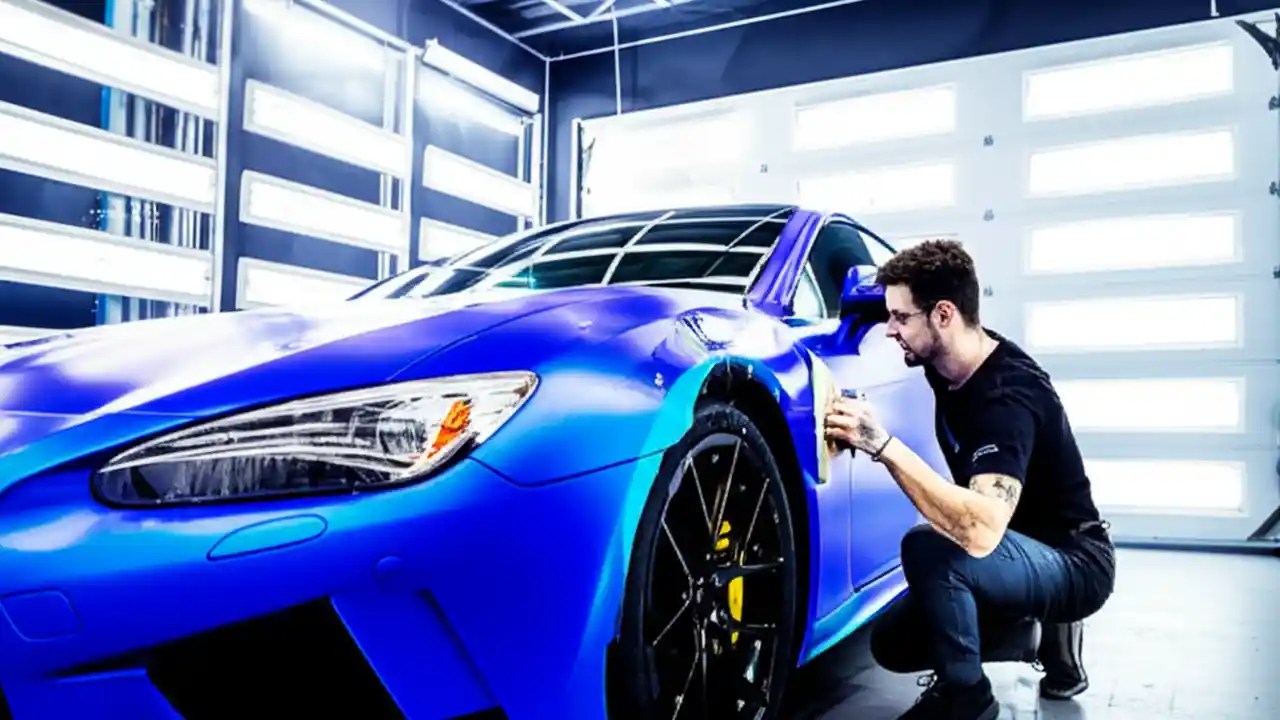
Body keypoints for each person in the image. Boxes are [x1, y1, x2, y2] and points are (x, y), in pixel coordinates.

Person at [823, 240, 1116, 720]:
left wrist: (882, 444)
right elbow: (896, 307)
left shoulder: (1005, 397)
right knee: (893, 644)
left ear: (943, 315)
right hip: (1017, 549)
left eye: (899, 318)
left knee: (931, 547)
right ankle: (1033, 633)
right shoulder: (950, 355)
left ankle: (969, 701)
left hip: (1073, 559)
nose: (890, 329)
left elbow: (980, 532)